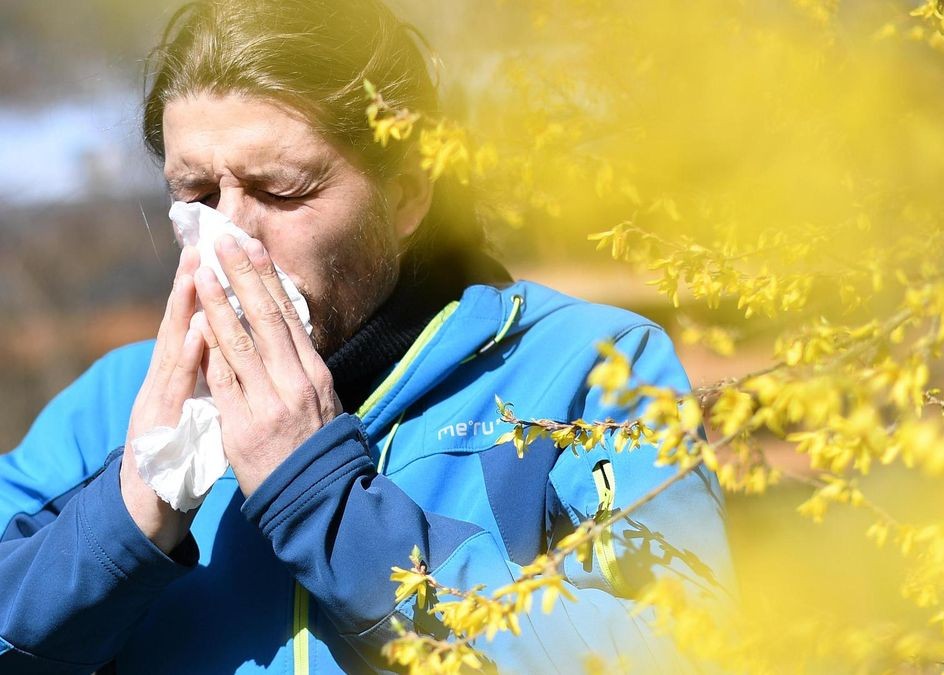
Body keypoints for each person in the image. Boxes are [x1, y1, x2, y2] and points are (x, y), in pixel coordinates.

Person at [0, 0, 732, 672]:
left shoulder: (586, 370)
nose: (230, 236)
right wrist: (122, 523)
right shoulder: (118, 404)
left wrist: (330, 508)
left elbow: (675, 648)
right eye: (196, 194)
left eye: (281, 190)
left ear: (407, 195)